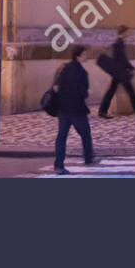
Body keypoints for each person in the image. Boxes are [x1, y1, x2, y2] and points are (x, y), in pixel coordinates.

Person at [52, 44, 98, 174]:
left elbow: (56, 86)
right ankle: (88, 159)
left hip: (63, 109)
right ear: (78, 56)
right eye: (84, 54)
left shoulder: (63, 68)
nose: (86, 56)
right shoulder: (82, 72)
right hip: (77, 110)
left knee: (61, 137)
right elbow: (83, 93)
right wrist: (86, 91)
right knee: (85, 135)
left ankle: (58, 165)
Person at [98, 25, 135, 119]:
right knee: (130, 91)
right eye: (128, 32)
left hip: (118, 72)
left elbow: (121, 59)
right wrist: (132, 68)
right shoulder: (119, 43)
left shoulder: (119, 43)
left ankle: (102, 111)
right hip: (120, 72)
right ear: (123, 32)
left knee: (112, 91)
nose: (129, 34)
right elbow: (123, 59)